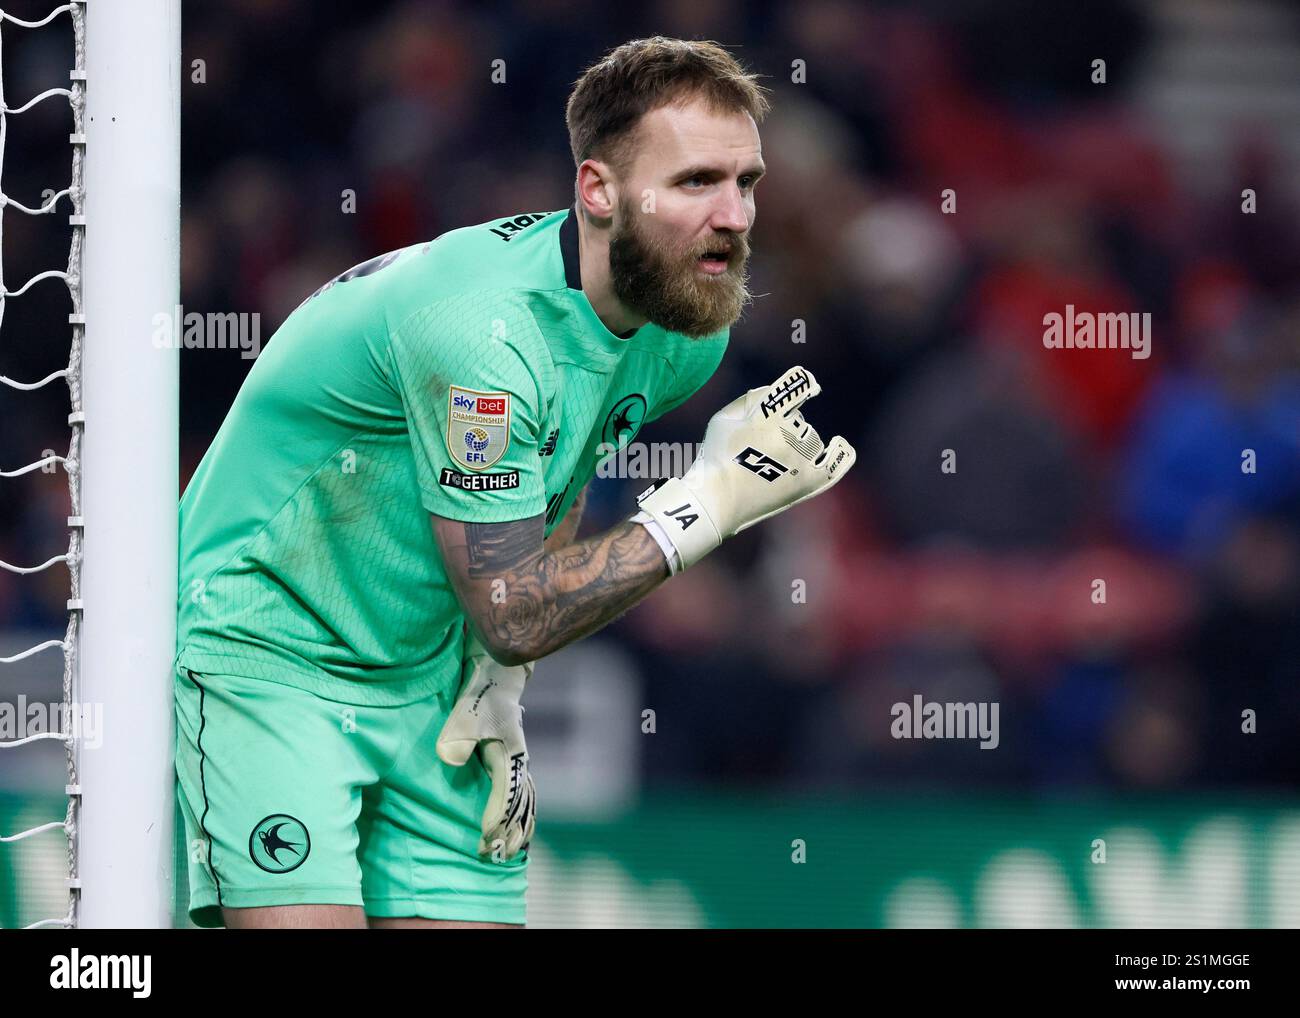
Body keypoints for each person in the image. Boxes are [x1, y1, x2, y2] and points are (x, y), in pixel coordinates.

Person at [173, 36, 854, 930]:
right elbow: (513, 603)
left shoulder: (684, 332)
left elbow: (553, 487)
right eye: (696, 183)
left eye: (747, 182)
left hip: (431, 675)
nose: (734, 215)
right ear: (599, 190)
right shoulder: (483, 335)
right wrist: (708, 503)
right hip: (271, 651)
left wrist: (498, 683)